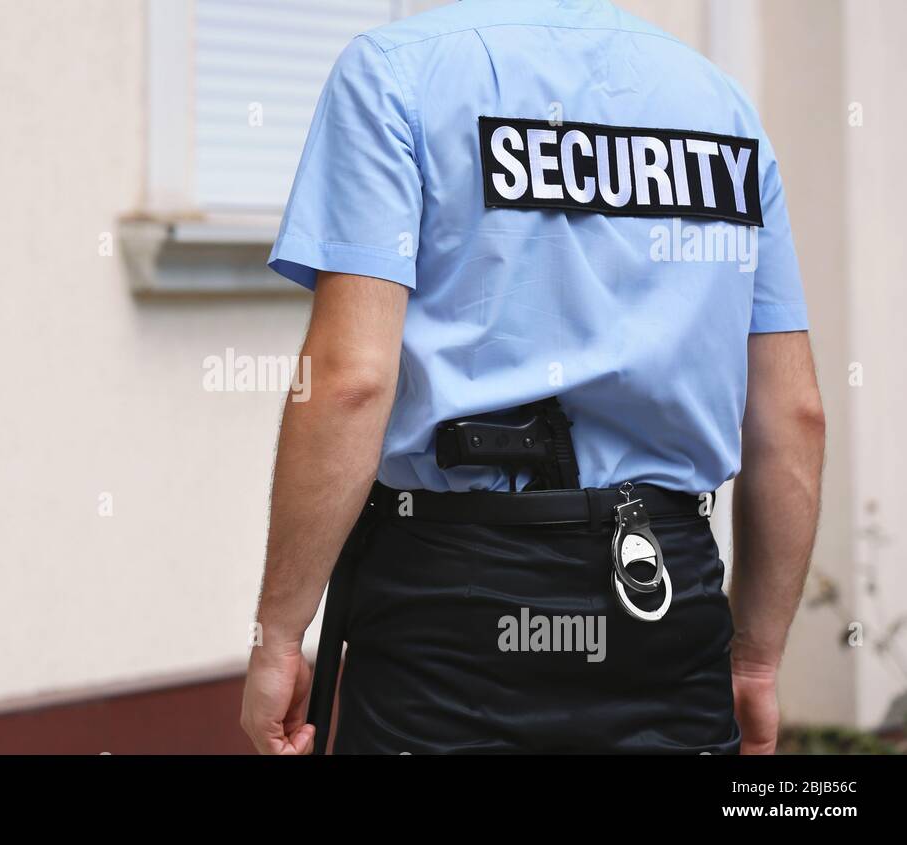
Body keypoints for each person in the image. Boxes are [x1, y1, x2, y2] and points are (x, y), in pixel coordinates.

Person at [240, 0, 824, 754]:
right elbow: (794, 415)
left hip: (454, 606)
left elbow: (352, 380)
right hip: (664, 596)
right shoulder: (722, 108)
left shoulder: (394, 74)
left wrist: (280, 634)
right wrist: (757, 658)